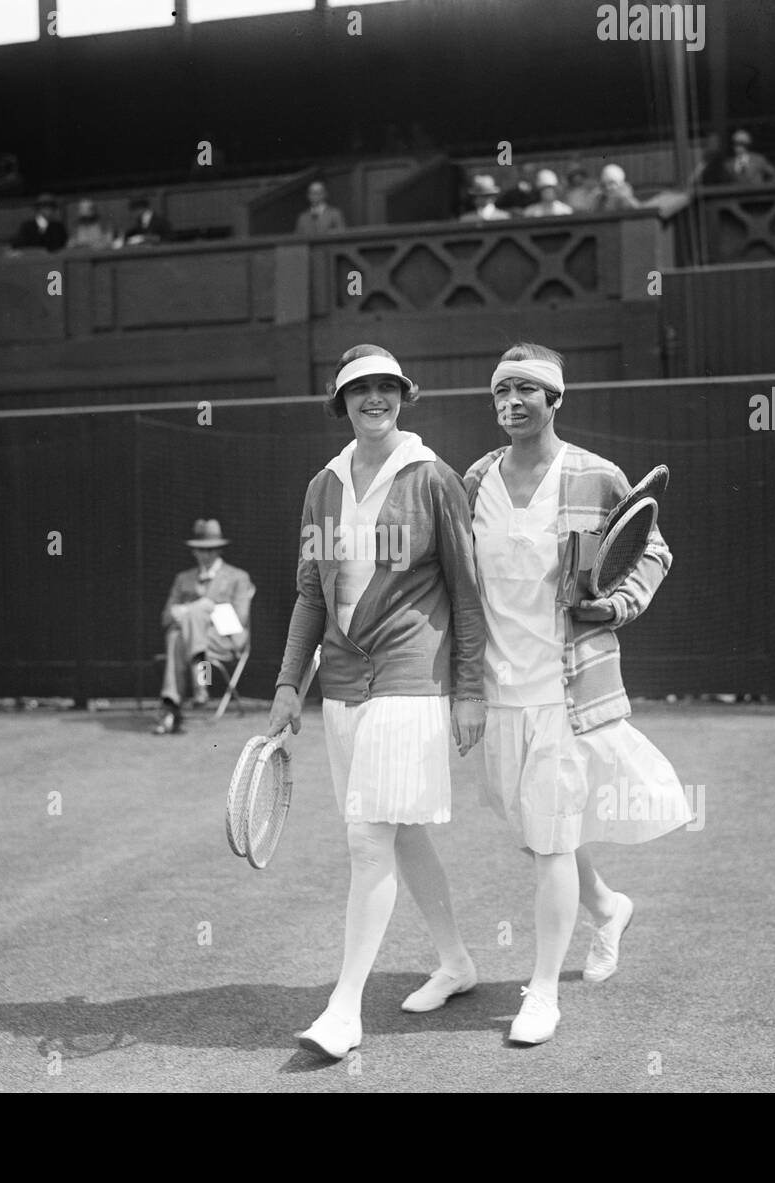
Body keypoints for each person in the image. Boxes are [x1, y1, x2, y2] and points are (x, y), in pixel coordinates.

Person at [460, 343, 692, 1045]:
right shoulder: (475, 479)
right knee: (536, 833)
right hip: (499, 691)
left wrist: (617, 604)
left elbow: (651, 548)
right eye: (501, 392)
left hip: (565, 688)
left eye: (527, 390)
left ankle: (540, 994)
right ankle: (609, 905)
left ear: (555, 399)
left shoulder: (595, 475)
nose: (511, 403)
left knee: (553, 838)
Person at [269, 343, 486, 1059]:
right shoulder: (321, 487)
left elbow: (467, 590)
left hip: (411, 677)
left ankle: (343, 1009)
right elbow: (310, 593)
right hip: (341, 684)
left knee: (368, 839)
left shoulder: (434, 479)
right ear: (342, 400)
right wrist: (285, 686)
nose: (375, 399)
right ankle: (457, 960)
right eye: (361, 389)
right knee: (400, 831)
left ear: (403, 395)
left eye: (387, 387)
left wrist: (469, 689)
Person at [155, 520, 254, 735]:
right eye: (201, 550)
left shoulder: (238, 577)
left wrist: (206, 609)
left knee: (186, 627)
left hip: (224, 639)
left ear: (219, 549)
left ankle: (171, 707)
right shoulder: (183, 579)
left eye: (210, 550)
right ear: (194, 551)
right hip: (195, 646)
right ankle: (198, 688)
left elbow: (239, 619)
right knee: (176, 635)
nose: (206, 555)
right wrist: (188, 611)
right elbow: (166, 617)